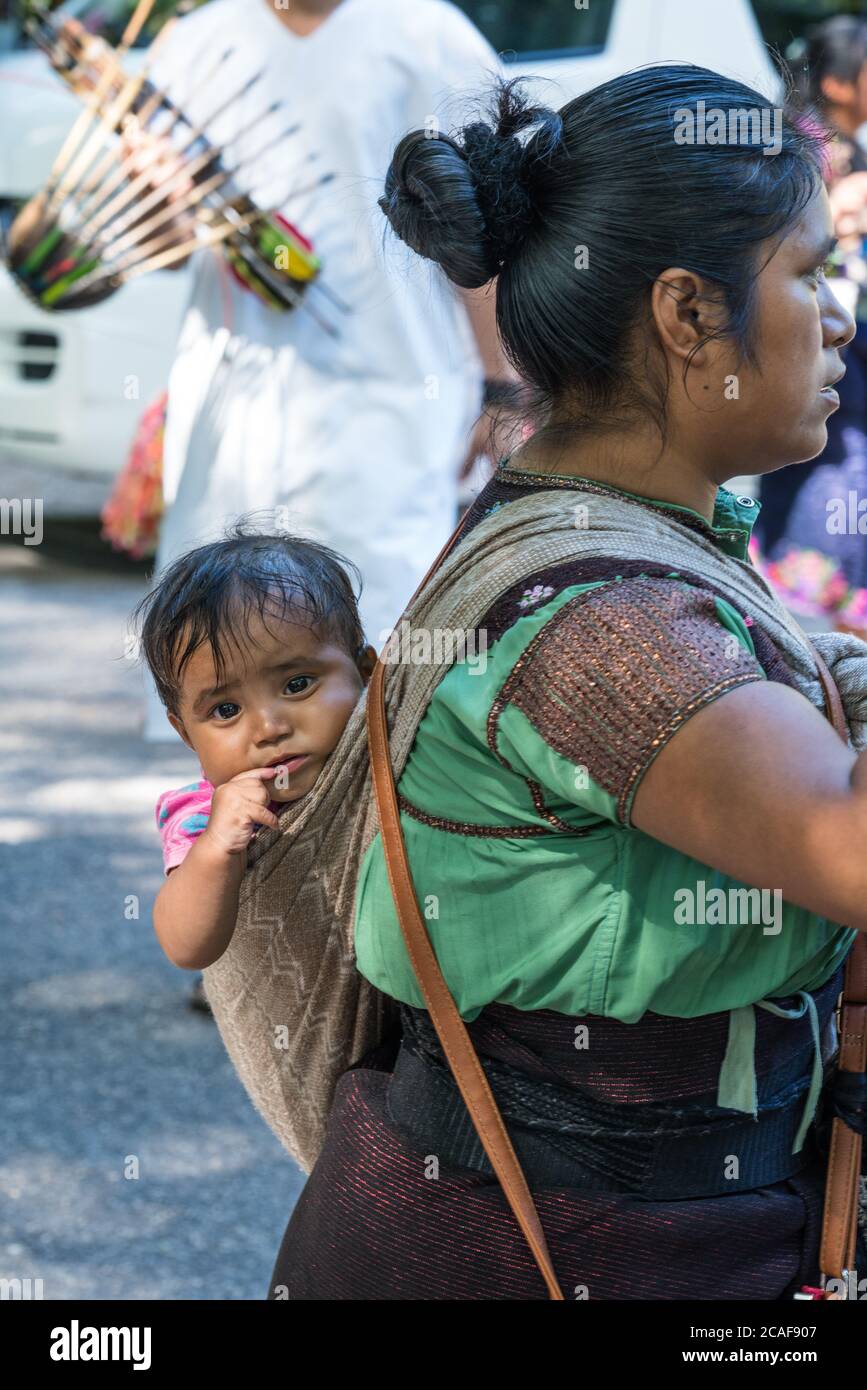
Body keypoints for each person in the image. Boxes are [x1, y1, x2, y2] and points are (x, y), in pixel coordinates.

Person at [258, 67, 867, 1300]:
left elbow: (810, 672)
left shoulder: (621, 530)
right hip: (551, 1248)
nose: (843, 315)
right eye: (810, 274)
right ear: (689, 315)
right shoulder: (602, 622)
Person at [140, 0, 521, 741]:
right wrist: (163, 201)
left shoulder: (425, 33)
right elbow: (165, 237)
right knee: (223, 653)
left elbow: (481, 226)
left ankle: (378, 844)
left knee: (383, 653)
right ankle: (236, 843)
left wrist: (500, 383)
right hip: (235, 399)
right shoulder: (194, 43)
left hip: (395, 393)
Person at [133, 524, 376, 978]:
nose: (269, 728)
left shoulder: (388, 755)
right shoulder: (205, 814)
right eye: (226, 709)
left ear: (367, 673)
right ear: (186, 735)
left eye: (297, 684)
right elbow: (186, 947)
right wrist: (218, 847)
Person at [754, 16, 867, 636]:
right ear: (839, 82)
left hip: (842, 343)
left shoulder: (845, 144)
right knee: (827, 459)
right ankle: (821, 613)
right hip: (819, 348)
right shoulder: (807, 148)